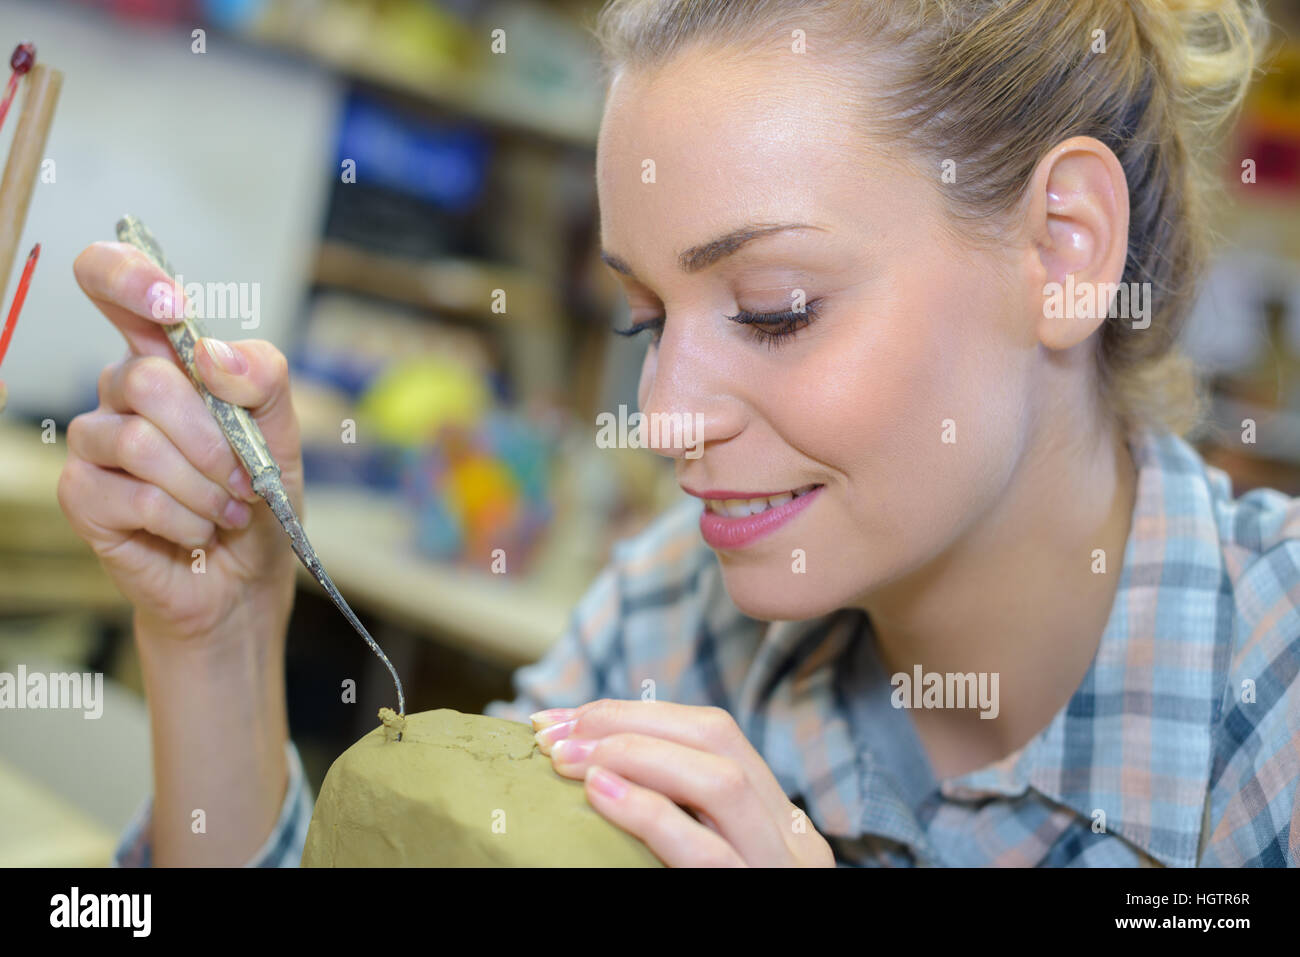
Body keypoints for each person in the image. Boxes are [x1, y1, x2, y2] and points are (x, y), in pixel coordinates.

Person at [59, 0, 1296, 867]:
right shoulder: (667, 620)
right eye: (646, 319)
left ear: (1064, 250)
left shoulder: (1268, 708)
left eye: (774, 310)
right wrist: (218, 640)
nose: (662, 421)